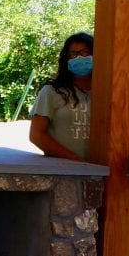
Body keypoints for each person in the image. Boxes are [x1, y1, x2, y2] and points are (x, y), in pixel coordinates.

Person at [29, 33, 94, 161]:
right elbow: (36, 135)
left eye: (85, 52)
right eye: (73, 54)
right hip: (63, 169)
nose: (79, 58)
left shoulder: (108, 93)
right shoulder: (51, 91)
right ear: (66, 60)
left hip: (100, 169)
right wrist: (74, 159)